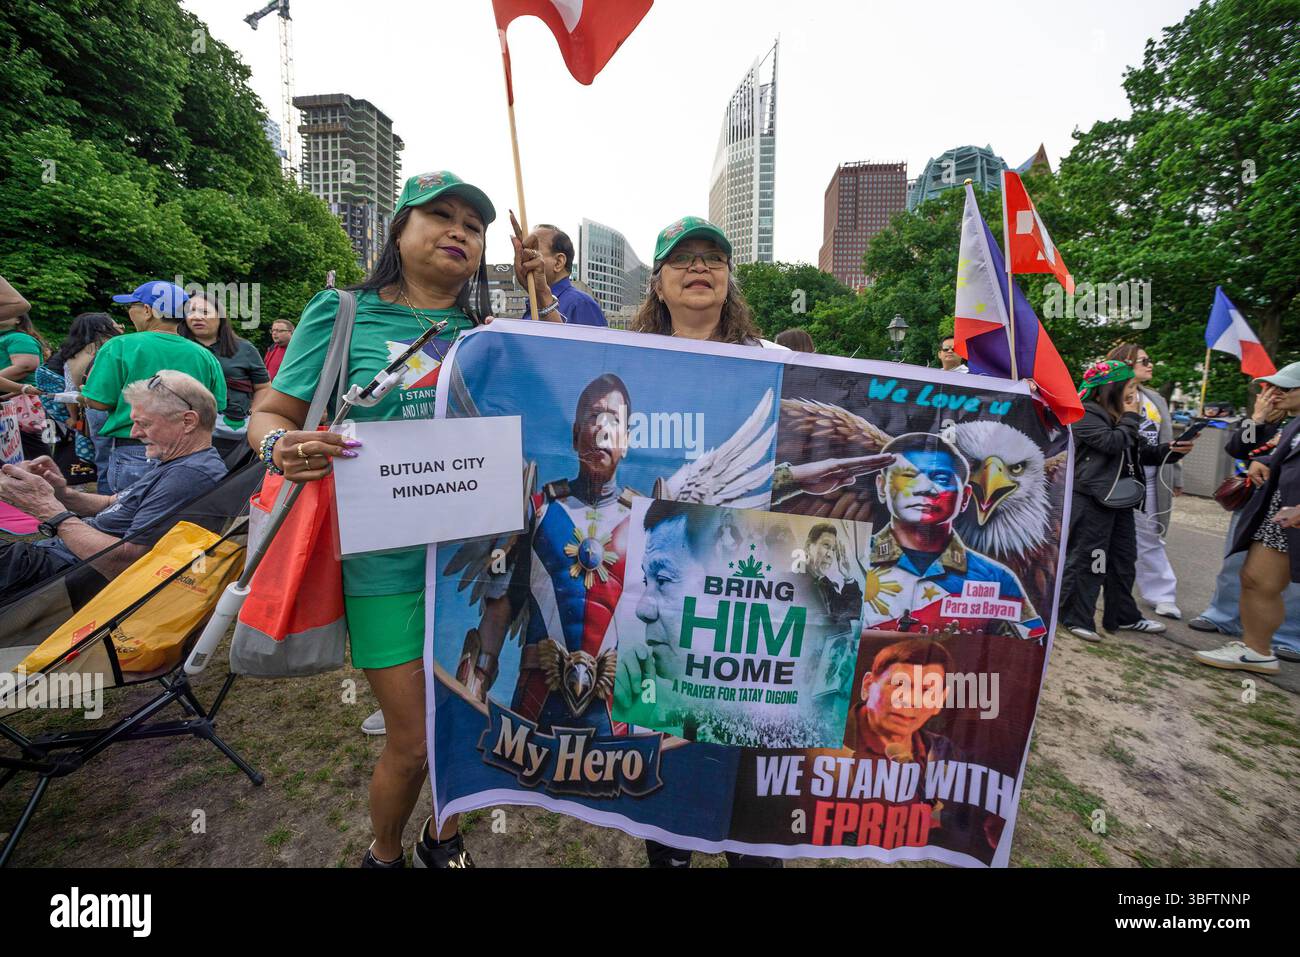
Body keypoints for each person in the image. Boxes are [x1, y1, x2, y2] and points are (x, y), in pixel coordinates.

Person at [248, 170, 502, 870]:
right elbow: (270, 413)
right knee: (414, 738)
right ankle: (383, 853)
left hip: (473, 569)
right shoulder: (341, 312)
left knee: (470, 719)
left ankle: (443, 839)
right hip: (381, 562)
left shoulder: (488, 334)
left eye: (473, 226)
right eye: (440, 216)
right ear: (399, 230)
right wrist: (279, 445)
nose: (459, 231)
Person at [0, 371, 226, 603]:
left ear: (188, 421)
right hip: (57, 557)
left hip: (63, 574)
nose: (134, 433)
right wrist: (61, 492)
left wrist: (49, 510)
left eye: (144, 424)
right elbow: (112, 503)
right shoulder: (179, 462)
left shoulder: (187, 476)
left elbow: (126, 562)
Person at [1058, 359, 1195, 643]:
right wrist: (1131, 418)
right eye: (1130, 387)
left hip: (1120, 500)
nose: (1135, 393)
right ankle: (1074, 616)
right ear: (1112, 388)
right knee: (1089, 559)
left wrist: (1172, 450)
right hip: (1091, 499)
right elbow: (1111, 443)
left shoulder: (1122, 416)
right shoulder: (1085, 414)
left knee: (1123, 560)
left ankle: (1124, 615)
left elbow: (1142, 453)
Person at [861, 432, 1046, 641]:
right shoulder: (848, 560)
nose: (925, 489)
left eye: (940, 478)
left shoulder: (996, 579)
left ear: (965, 497)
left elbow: (1025, 656)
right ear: (881, 487)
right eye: (909, 476)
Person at [1195, 362, 1300, 674]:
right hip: (1272, 509)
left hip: (1290, 513)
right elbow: (1241, 447)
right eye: (1270, 388)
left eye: (1284, 388)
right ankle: (1255, 648)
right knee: (1252, 576)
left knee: (1284, 583)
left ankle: (1281, 641)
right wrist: (1258, 425)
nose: (1273, 394)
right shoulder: (1288, 422)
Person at [84, 281, 226, 494]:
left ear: (148, 311)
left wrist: (83, 395)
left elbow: (99, 402)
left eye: (132, 305)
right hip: (191, 454)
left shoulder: (119, 346)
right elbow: (217, 404)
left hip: (136, 451)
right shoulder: (205, 355)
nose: (130, 312)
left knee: (125, 522)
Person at [1106, 342, 1182, 618]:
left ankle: (1162, 594)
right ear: (1125, 364)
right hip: (1116, 474)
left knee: (1151, 534)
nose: (1150, 365)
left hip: (1152, 474)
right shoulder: (1106, 395)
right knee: (1102, 536)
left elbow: (1166, 437)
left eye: (1150, 360)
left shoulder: (1156, 399)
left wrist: (1176, 473)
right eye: (1143, 360)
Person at [39, 312, 122, 481]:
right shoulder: (111, 347)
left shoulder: (73, 354)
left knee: (103, 461)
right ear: (102, 328)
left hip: (90, 411)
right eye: (113, 324)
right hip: (112, 408)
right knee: (121, 458)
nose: (118, 326)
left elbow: (70, 392)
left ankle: (106, 497)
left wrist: (74, 418)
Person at [181, 291, 271, 443]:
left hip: (234, 432)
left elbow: (263, 387)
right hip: (186, 433)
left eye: (204, 311)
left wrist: (254, 414)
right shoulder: (178, 348)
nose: (196, 316)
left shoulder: (244, 348)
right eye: (190, 311)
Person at [513, 219, 607, 326]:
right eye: (524, 250)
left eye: (533, 250)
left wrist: (543, 299)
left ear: (558, 262)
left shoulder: (581, 304)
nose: (525, 257)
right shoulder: (532, 306)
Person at [0, 312, 52, 460]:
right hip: (11, 401)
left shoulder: (19, 337)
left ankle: (45, 480)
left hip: (20, 403)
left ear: (18, 319)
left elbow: (25, 365)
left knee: (31, 454)